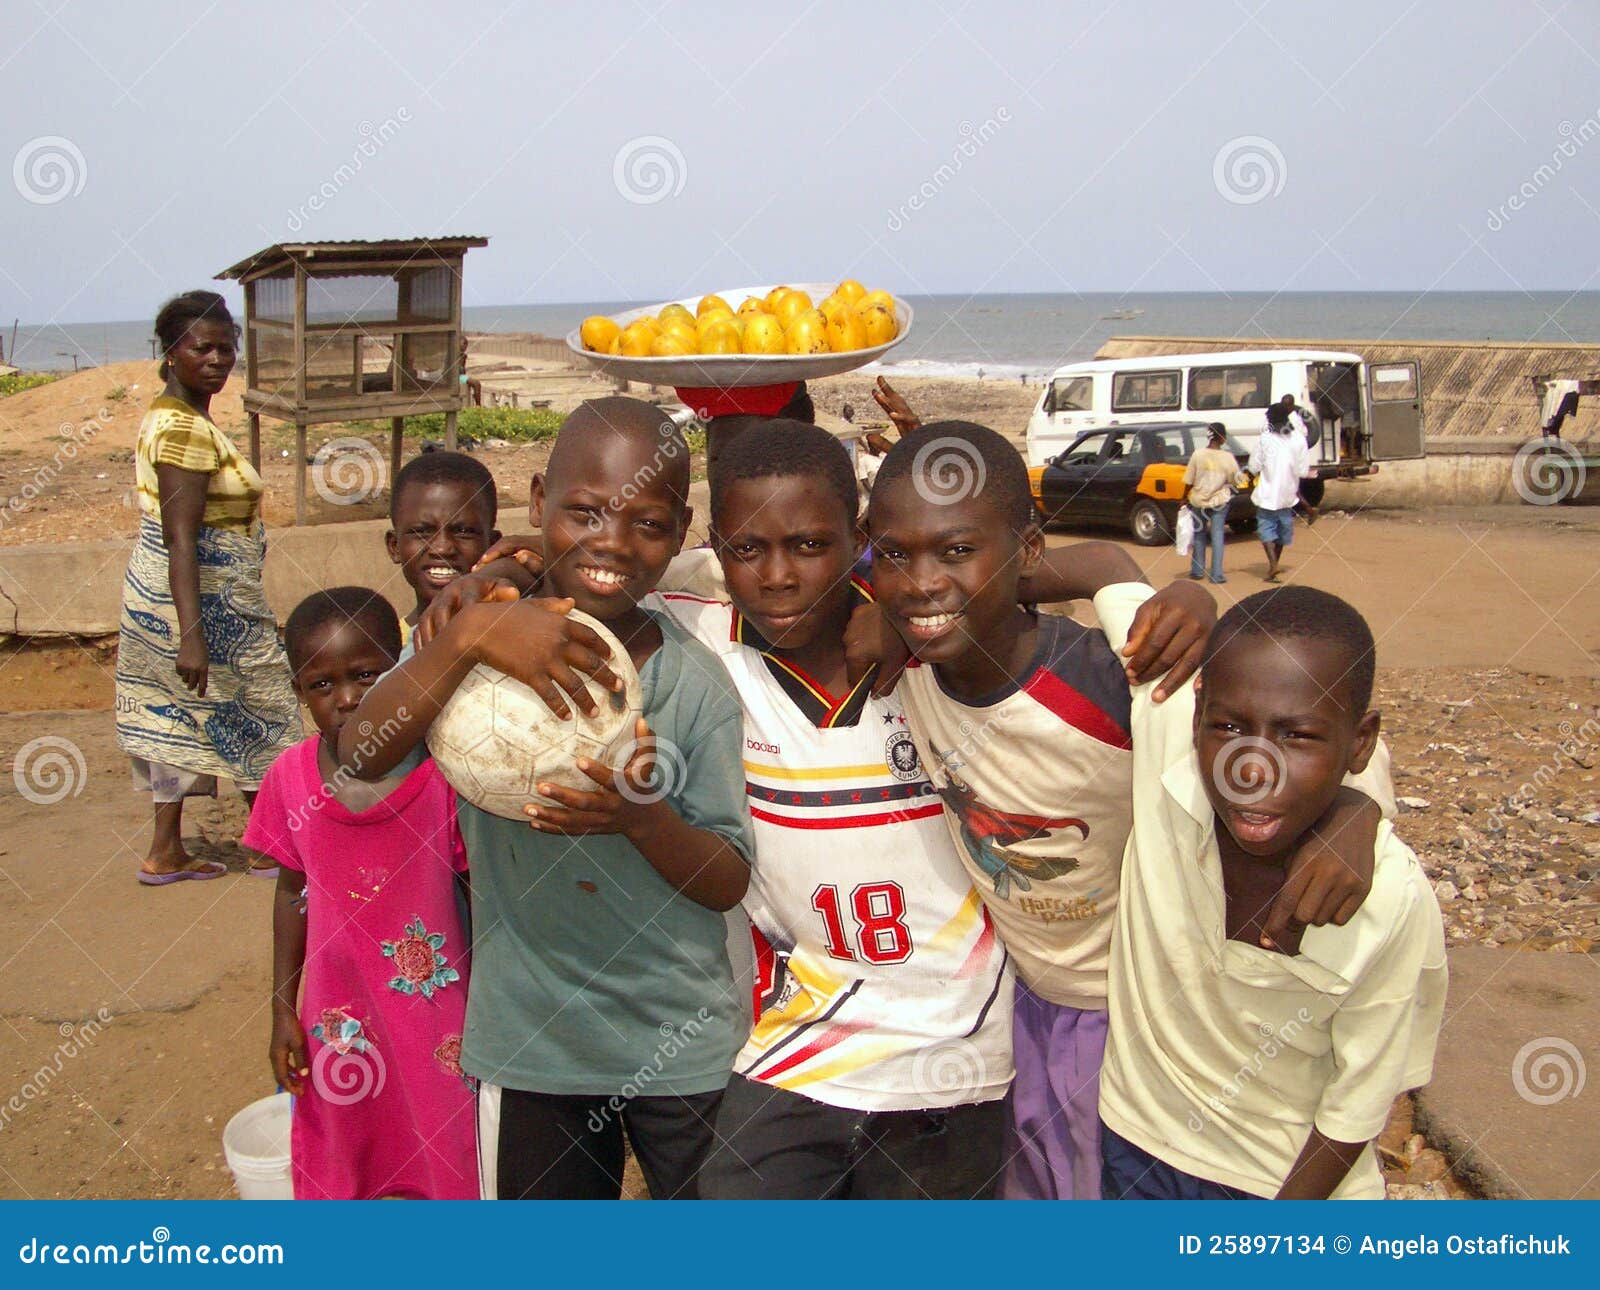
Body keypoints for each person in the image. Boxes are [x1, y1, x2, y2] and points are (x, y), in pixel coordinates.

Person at [866, 421, 1386, 1200]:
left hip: (1139, 1019)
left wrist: (1360, 811)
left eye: (951, 551)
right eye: (893, 556)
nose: (918, 581)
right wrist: (1107, 566)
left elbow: (1297, 729)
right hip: (1024, 1004)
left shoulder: (1118, 677)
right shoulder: (899, 663)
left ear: (1028, 550)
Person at [338, 396, 753, 1200]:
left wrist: (642, 820)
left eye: (648, 524)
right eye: (585, 513)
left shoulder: (695, 684)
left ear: (681, 529)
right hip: (533, 1044)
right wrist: (466, 636)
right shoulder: (472, 656)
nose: (612, 544)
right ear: (536, 503)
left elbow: (727, 877)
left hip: (681, 1041)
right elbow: (360, 757)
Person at [1098, 586, 1444, 1199]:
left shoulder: (1390, 899)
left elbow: (1357, 1108)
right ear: (1198, 711)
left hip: (1282, 1183)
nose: (1251, 767)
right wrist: (1187, 596)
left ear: (1361, 742)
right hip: (1136, 1144)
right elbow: (1097, 569)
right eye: (1228, 728)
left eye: (1297, 738)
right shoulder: (1167, 724)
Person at [246, 588, 475, 1199]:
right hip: (337, 1014)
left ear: (400, 668)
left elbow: (479, 898)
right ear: (298, 689)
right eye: (323, 685)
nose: (347, 699)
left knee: (452, 1150)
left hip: (440, 1017)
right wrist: (281, 1007)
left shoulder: (443, 777)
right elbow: (290, 895)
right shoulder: (289, 778)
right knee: (351, 1153)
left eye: (367, 676)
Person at [115, 291, 300, 885]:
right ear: (171, 353)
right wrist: (193, 634)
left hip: (168, 598)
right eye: (203, 348)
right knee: (264, 710)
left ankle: (166, 850)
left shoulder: (170, 415)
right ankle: (274, 846)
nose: (218, 359)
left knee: (176, 718)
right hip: (202, 603)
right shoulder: (183, 430)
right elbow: (181, 537)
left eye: (227, 348)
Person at [385, 451, 499, 646]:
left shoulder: (513, 631)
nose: (442, 548)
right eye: (422, 532)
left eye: (463, 531)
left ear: (494, 544)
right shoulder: (386, 649)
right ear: (394, 546)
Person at [1249, 402, 1317, 583]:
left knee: (1266, 531)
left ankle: (1273, 565)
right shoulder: (1299, 439)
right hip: (1288, 497)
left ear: (1271, 421)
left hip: (1267, 495)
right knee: (1281, 533)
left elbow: (1253, 466)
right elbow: (1303, 471)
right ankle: (1274, 564)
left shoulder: (1265, 439)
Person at [1183, 423, 1244, 584]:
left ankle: (1197, 571)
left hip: (1198, 500)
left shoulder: (1198, 455)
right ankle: (1216, 575)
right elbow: (1237, 480)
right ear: (1223, 438)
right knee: (1218, 536)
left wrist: (1183, 498)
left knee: (1199, 535)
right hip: (1220, 501)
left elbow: (1188, 480)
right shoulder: (1228, 457)